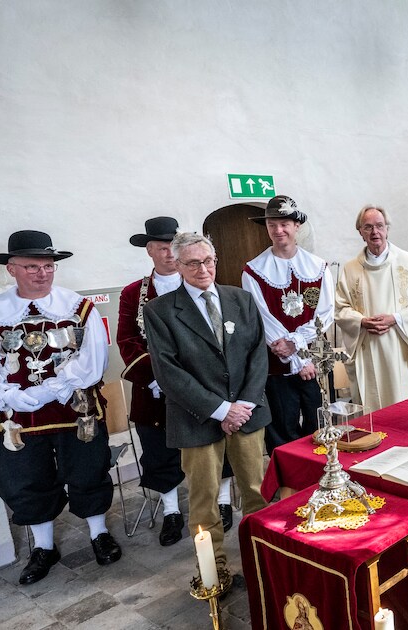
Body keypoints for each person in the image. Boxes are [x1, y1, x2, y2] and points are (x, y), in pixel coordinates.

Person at [0, 230, 121, 585]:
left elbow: (93, 361)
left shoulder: (78, 308)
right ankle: (44, 546)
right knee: (24, 480)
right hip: (14, 418)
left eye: (48, 266)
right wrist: (11, 396)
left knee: (88, 469)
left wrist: (54, 388)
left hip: (74, 409)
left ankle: (98, 533)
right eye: (32, 266)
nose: (42, 273)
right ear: (12, 269)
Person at [144, 231, 271, 577]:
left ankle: (264, 557)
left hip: (246, 414)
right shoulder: (160, 311)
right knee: (204, 500)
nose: (203, 269)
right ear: (179, 265)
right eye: (193, 263)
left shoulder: (240, 300)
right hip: (196, 418)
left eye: (208, 261)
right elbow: (169, 372)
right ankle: (213, 568)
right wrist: (220, 409)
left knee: (257, 492)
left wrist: (242, 404)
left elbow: (258, 355)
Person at [117, 216, 191, 545]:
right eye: (162, 247)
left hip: (201, 382)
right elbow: (127, 341)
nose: (170, 253)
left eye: (174, 246)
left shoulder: (198, 281)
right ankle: (172, 510)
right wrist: (158, 377)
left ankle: (220, 501)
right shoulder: (134, 293)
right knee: (160, 450)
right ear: (149, 250)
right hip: (153, 387)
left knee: (215, 442)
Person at [242, 195, 334, 453]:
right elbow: (261, 316)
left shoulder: (317, 266)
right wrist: (293, 357)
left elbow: (325, 313)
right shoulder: (254, 270)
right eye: (273, 224)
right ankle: (289, 486)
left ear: (297, 226)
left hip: (315, 357)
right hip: (276, 360)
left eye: (285, 224)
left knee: (321, 421)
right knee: (283, 426)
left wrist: (299, 350)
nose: (278, 230)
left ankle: (325, 476)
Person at [334, 205, 408, 412]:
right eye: (368, 227)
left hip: (402, 348)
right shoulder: (350, 269)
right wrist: (361, 321)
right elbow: (340, 309)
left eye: (380, 226)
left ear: (387, 229)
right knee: (374, 410)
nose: (375, 232)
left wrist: (397, 318)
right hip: (368, 348)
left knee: (405, 410)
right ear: (360, 232)